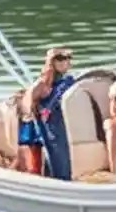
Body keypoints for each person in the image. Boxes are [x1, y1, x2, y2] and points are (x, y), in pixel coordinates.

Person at [18, 46, 76, 175]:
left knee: (63, 157)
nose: (64, 61)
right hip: (48, 125)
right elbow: (26, 106)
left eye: (67, 58)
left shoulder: (68, 81)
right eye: (59, 58)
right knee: (55, 158)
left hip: (63, 124)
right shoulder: (42, 83)